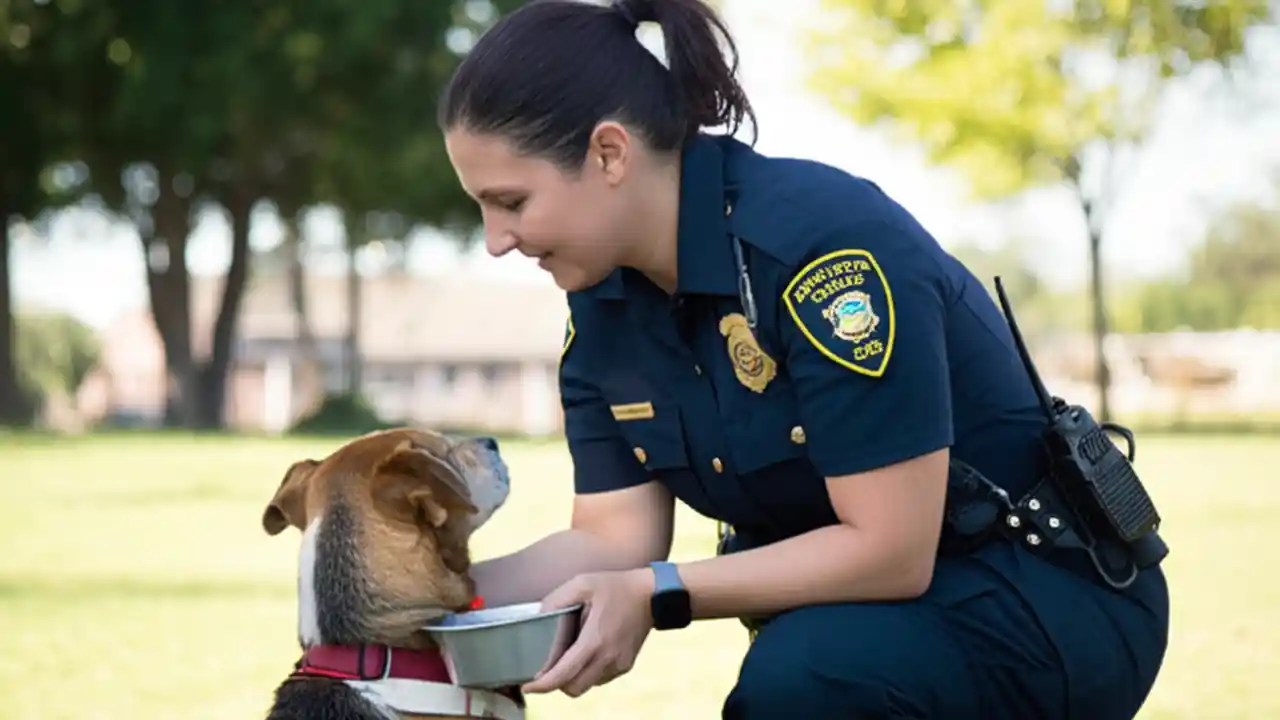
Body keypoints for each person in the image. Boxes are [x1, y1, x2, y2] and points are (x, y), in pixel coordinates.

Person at [436, 0, 1171, 717]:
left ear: (609, 153)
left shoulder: (822, 252)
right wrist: (424, 598)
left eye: (511, 201)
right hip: (876, 632)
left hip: (1043, 599)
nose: (495, 238)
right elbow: (611, 540)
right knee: (809, 667)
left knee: (803, 680)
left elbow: (890, 551)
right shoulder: (602, 310)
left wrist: (660, 591)